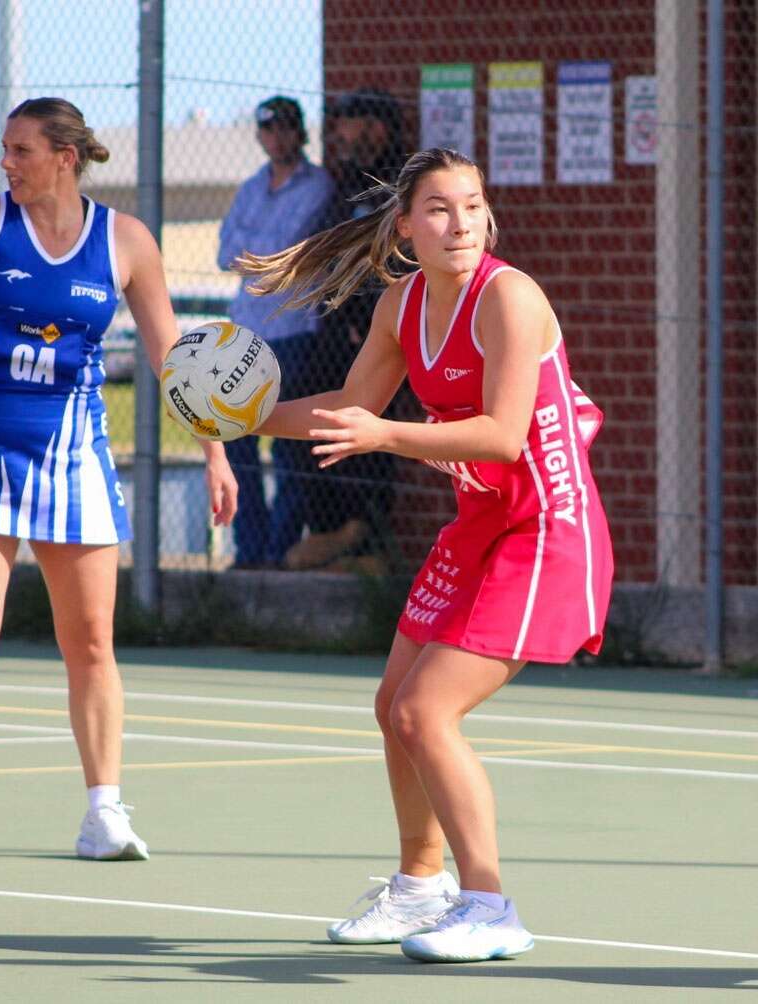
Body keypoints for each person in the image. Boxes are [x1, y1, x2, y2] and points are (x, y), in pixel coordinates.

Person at [235, 147, 613, 962]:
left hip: (548, 531)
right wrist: (243, 417)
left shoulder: (509, 298)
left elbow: (503, 436)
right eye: (439, 209)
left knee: (424, 712)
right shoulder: (402, 306)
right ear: (405, 227)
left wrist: (388, 436)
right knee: (392, 706)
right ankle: (420, 886)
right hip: (480, 525)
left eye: (472, 205)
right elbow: (348, 407)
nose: (460, 223)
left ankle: (491, 906)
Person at [0, 97, 237, 859]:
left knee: (90, 640)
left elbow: (172, 360)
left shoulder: (124, 241)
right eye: (4, 149)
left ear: (65, 156)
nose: (6, 162)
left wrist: (216, 450)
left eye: (21, 150)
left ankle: (104, 811)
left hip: (74, 458)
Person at [280, 87, 410, 572]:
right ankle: (334, 532)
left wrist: (368, 323)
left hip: (372, 330)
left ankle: (363, 535)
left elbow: (397, 261)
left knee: (366, 423)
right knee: (313, 418)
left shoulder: (399, 183)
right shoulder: (347, 181)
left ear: (376, 126)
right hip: (332, 330)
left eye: (349, 123)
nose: (340, 133)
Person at [216, 95, 333, 569]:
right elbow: (225, 252)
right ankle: (250, 552)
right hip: (245, 332)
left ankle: (278, 552)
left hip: (292, 332)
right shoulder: (249, 187)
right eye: (269, 127)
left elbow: (291, 249)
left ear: (301, 132)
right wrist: (264, 253)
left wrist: (258, 250)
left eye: (286, 127)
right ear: (260, 134)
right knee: (236, 439)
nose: (278, 136)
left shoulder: (319, 185)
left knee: (288, 448)